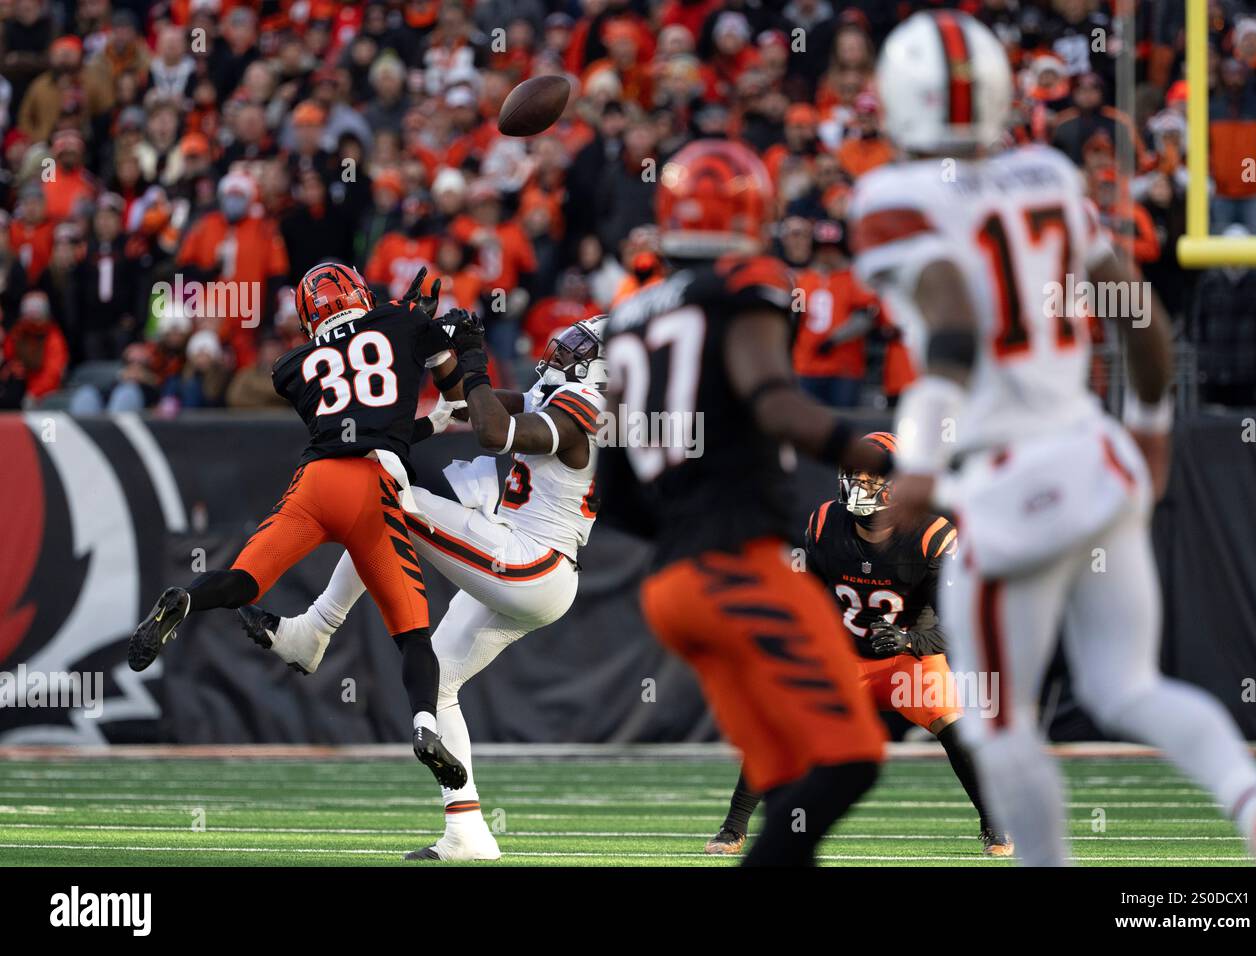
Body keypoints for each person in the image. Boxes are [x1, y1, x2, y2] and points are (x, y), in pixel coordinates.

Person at [852, 9, 1256, 866]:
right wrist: (1151, 430)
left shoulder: (890, 195)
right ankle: (1252, 802)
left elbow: (947, 312)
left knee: (999, 716)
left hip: (1003, 483)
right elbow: (1140, 309)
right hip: (1096, 457)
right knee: (1129, 685)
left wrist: (920, 449)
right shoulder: (1048, 174)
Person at [599, 139, 889, 867]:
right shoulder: (743, 283)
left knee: (791, 786)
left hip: (671, 585)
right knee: (851, 757)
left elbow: (616, 491)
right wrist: (884, 460)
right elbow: (775, 403)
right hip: (736, 565)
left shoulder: (631, 315)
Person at [239, 316, 608, 862]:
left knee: (386, 494)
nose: (564, 349)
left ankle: (314, 630)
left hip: (534, 563)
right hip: (519, 555)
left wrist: (477, 359)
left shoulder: (590, 405)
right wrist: (442, 350)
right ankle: (467, 833)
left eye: (581, 346)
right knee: (436, 682)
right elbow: (465, 403)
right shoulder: (558, 392)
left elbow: (493, 432)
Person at [126, 263, 468, 793]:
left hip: (317, 480)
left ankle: (188, 602)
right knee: (413, 635)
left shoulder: (292, 366)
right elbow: (430, 393)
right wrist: (422, 325)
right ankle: (424, 725)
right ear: (359, 291)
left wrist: (406, 325)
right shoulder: (398, 323)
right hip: (371, 488)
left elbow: (359, 408)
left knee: (245, 579)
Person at [706, 432, 1011, 857]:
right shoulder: (825, 522)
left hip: (910, 658)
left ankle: (995, 826)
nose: (859, 483)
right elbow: (806, 599)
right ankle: (733, 828)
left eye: (872, 476)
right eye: (854, 473)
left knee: (956, 730)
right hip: (844, 656)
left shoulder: (931, 534)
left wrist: (909, 638)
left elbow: (960, 625)